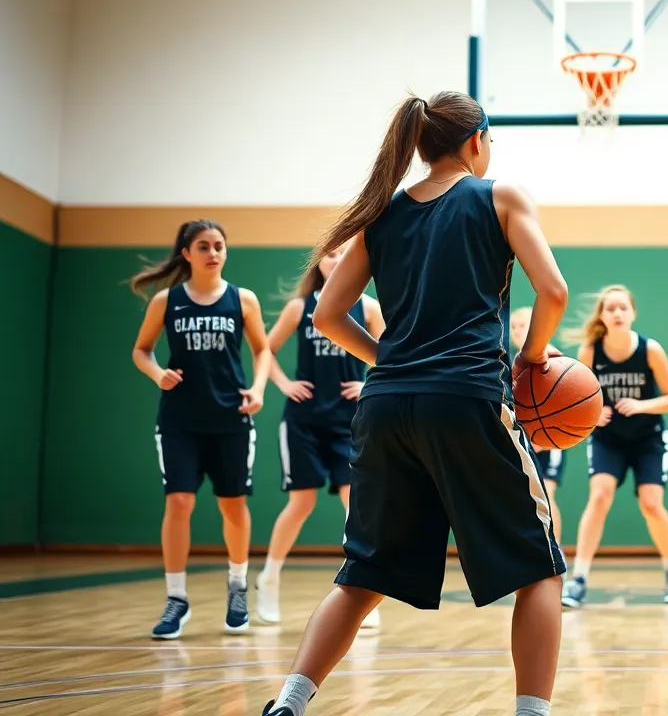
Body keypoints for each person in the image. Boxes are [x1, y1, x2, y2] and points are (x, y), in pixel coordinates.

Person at [260, 91, 568, 716]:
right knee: (541, 569)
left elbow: (326, 313)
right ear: (477, 139)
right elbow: (553, 291)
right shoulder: (500, 196)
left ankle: (286, 706)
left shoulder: (382, 215)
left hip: (384, 408)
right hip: (467, 399)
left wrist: (393, 363)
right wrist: (533, 356)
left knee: (362, 576)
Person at [130, 219, 272, 640]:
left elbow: (262, 350)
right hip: (179, 421)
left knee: (233, 507)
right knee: (179, 503)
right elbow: (141, 350)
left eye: (219, 246)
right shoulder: (166, 301)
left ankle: (237, 586)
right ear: (186, 254)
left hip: (231, 419)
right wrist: (157, 373)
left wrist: (259, 388)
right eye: (204, 246)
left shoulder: (242, 299)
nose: (213, 253)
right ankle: (177, 598)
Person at [254, 241, 386, 628]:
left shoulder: (370, 307)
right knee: (301, 503)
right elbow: (266, 350)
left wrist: (369, 384)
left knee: (354, 503)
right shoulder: (301, 306)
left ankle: (361, 590)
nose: (339, 260)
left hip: (350, 420)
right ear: (320, 263)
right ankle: (270, 576)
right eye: (331, 255)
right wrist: (282, 384)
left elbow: (393, 350)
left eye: (346, 254)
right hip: (304, 421)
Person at [561, 285, 668, 609]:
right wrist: (592, 412)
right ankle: (579, 579)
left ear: (632, 313)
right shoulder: (591, 351)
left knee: (651, 504)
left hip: (649, 438)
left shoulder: (650, 350)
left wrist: (642, 406)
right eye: (610, 308)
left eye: (622, 308)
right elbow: (576, 396)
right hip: (608, 438)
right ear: (602, 315)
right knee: (600, 495)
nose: (617, 313)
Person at [509, 306, 564, 546]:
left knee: (547, 496)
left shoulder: (550, 355)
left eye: (523, 324)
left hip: (548, 436)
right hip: (521, 437)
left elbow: (565, 398)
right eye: (513, 326)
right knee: (519, 499)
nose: (518, 330)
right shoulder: (509, 360)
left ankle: (556, 552)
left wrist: (542, 436)